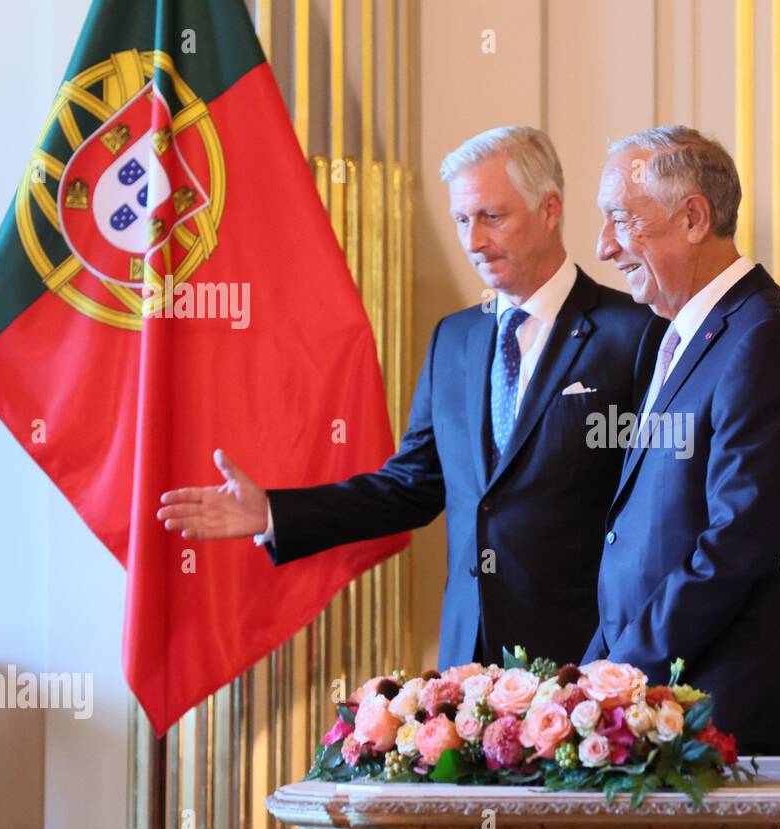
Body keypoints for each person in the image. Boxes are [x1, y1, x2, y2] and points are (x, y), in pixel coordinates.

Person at [157, 126, 664, 667]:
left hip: (589, 658)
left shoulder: (635, 331)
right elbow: (411, 487)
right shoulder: (455, 338)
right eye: (462, 221)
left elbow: (659, 509)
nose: (473, 242)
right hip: (468, 661)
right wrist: (274, 514)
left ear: (549, 209)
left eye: (492, 217)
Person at [582, 125, 780, 755]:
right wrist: (584, 678)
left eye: (620, 219)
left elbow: (737, 545)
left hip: (732, 714)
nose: (604, 246)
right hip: (662, 702)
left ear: (693, 217)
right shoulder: (674, 338)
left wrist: (615, 678)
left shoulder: (767, 338)